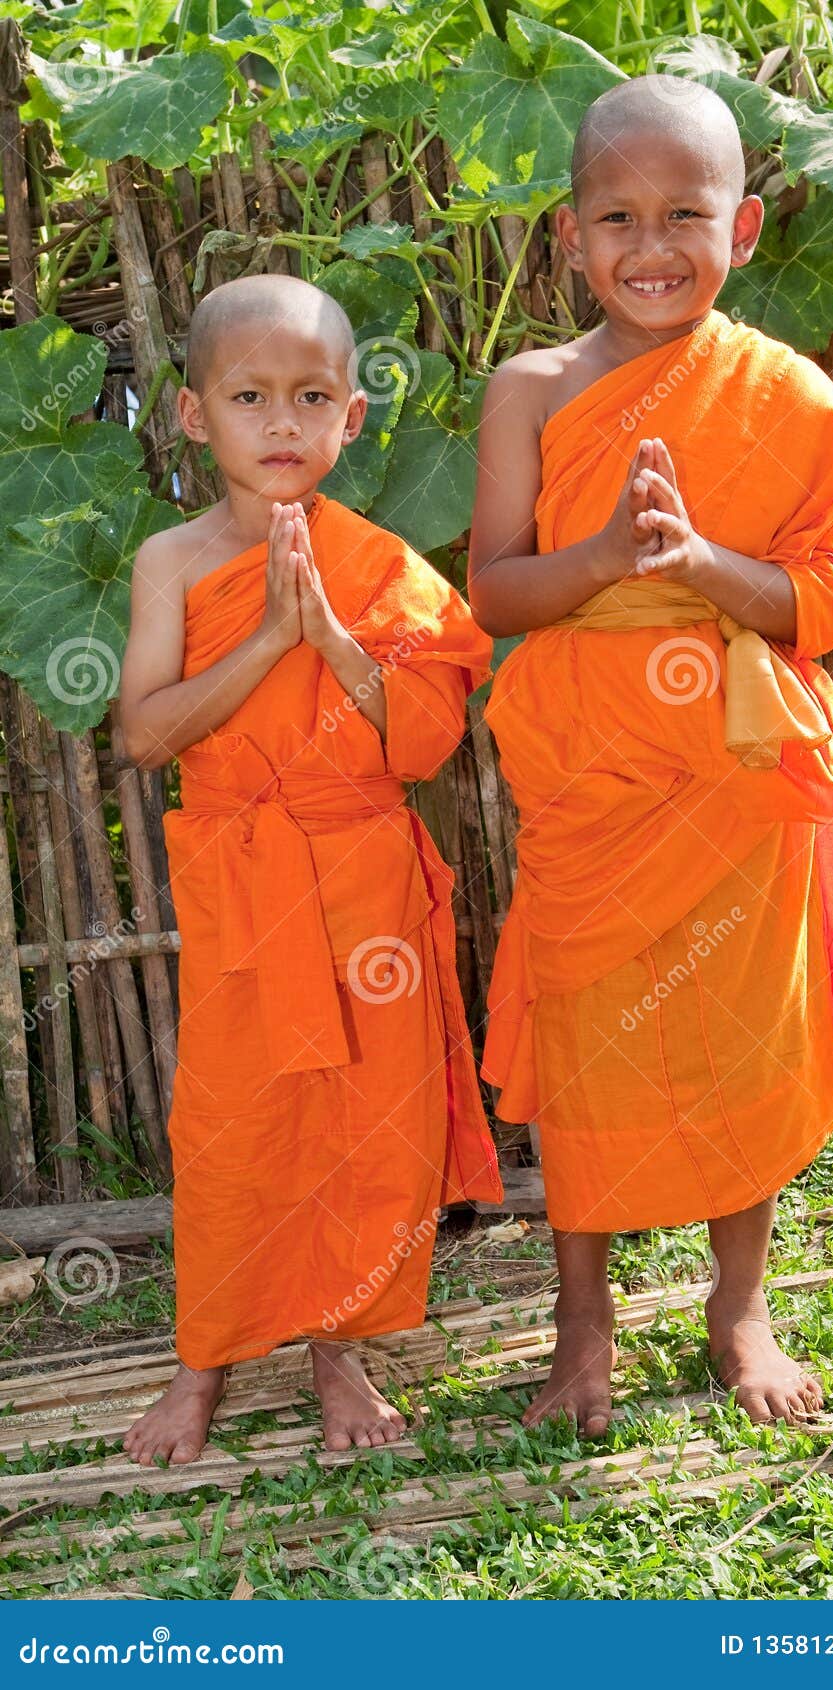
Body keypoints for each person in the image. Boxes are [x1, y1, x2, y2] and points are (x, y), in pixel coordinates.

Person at [468, 77, 833, 1435]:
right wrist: (604, 558)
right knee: (590, 1041)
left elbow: (822, 604)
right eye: (616, 215)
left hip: (732, 762)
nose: (649, 244)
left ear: (744, 225)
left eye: (685, 213)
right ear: (566, 235)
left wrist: (698, 562)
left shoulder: (783, 394)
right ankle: (582, 1325)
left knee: (741, 1035)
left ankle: (738, 1306)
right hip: (589, 766)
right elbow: (491, 590)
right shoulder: (529, 389)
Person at [118, 273, 502, 1466]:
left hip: (361, 879)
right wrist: (273, 638)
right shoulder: (172, 563)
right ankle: (204, 1361)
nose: (281, 424)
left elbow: (425, 743)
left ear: (349, 419)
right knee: (233, 1123)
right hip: (244, 882)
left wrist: (330, 634)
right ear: (194, 415)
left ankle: (342, 1348)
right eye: (249, 396)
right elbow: (143, 732)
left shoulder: (381, 563)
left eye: (311, 397)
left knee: (362, 1126)